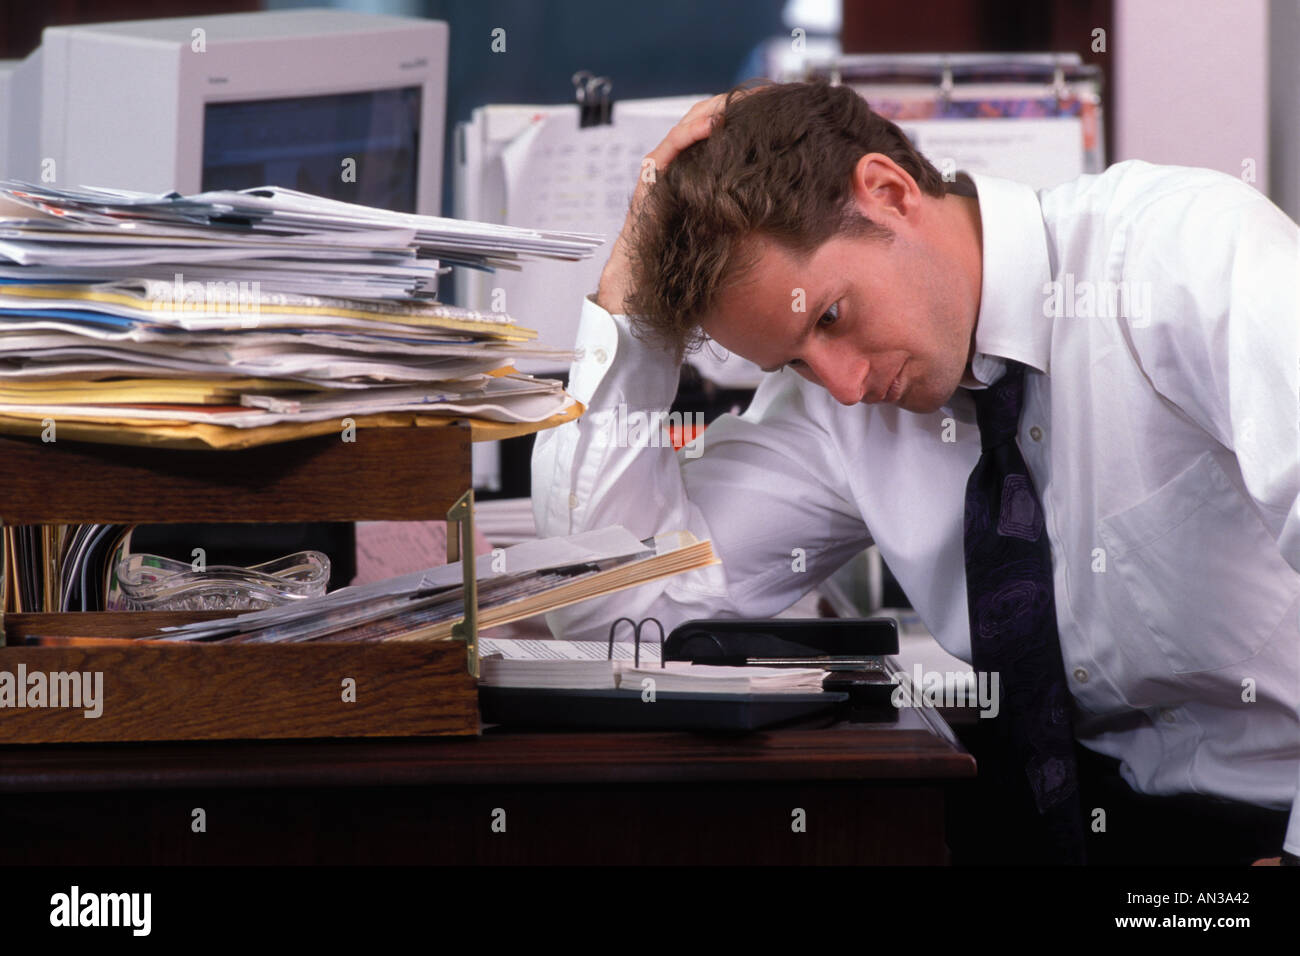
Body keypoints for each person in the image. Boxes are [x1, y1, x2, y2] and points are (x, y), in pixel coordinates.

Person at [530, 80, 1300, 865]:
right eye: (794, 359)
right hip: (1116, 837)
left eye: (829, 316)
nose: (845, 383)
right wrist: (634, 310)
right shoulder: (838, 407)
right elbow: (609, 613)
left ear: (889, 193)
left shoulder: (1180, 254)